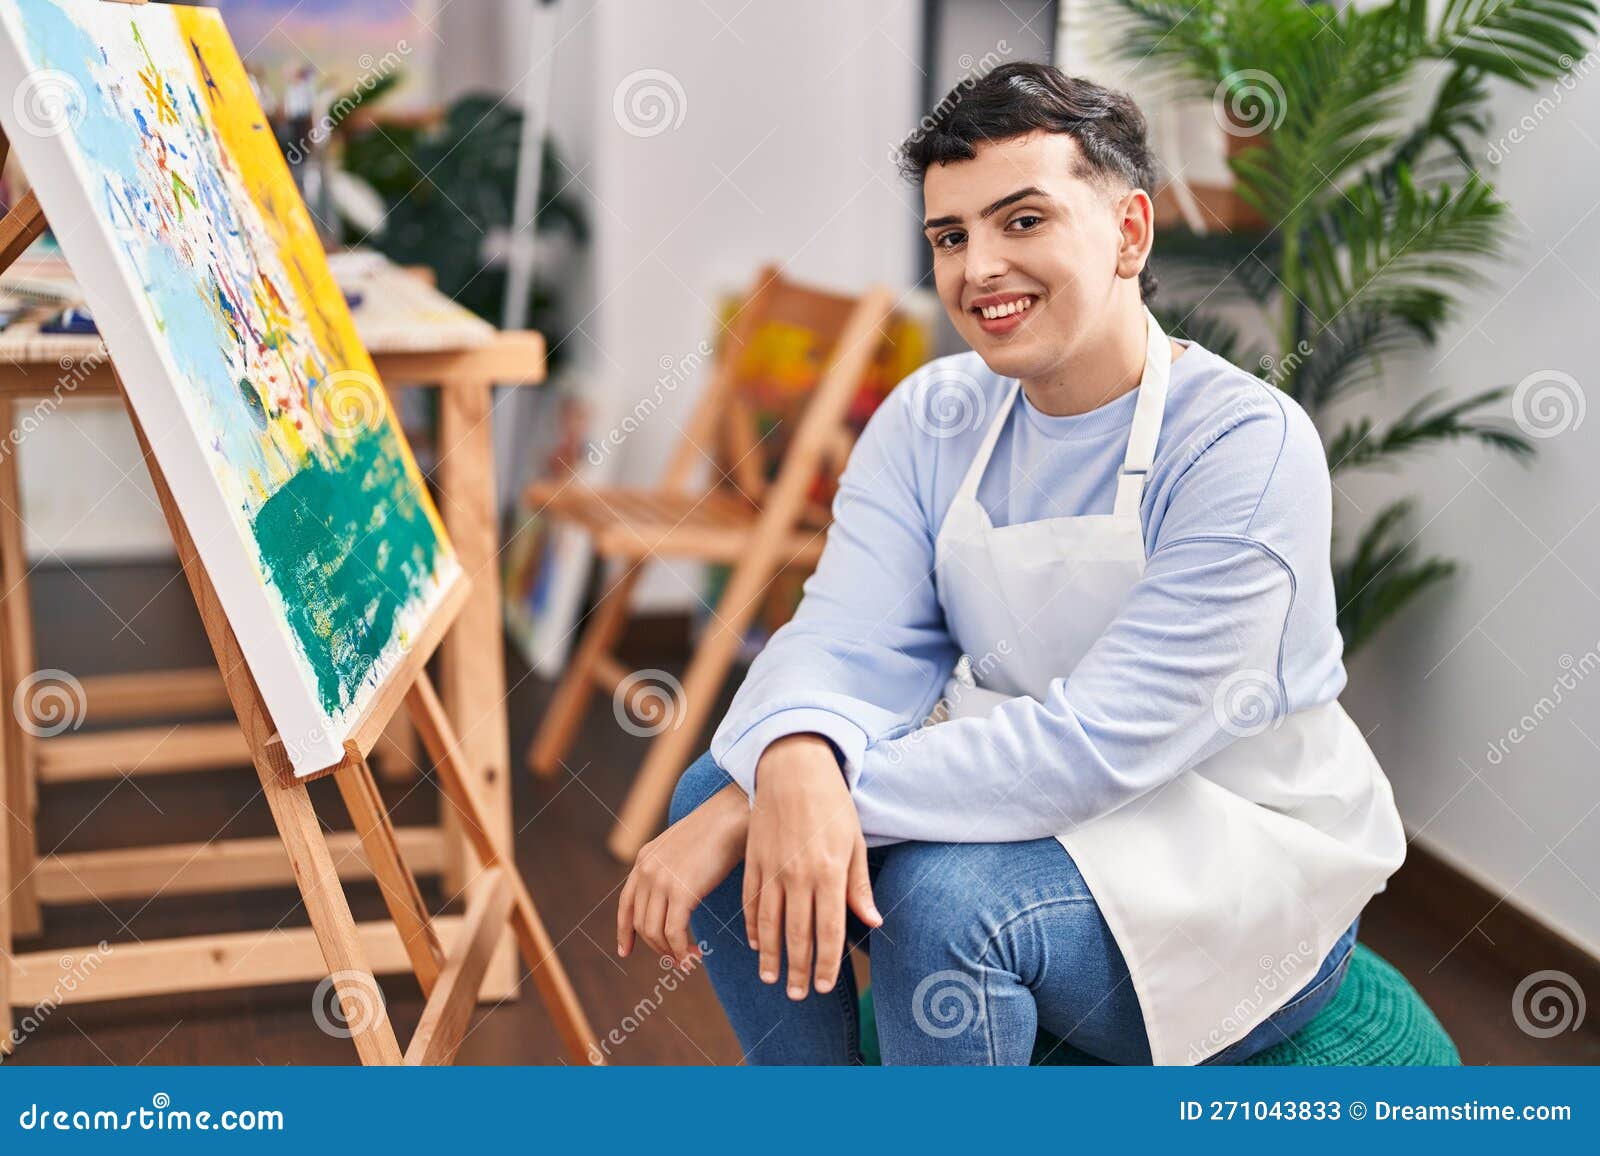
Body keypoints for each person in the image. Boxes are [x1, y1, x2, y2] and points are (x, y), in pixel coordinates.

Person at [616, 61, 1406, 1066]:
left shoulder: (1243, 445)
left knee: (936, 902)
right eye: (950, 236)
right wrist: (790, 760)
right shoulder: (932, 416)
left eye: (1021, 221)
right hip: (1035, 810)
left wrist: (784, 796)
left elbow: (1100, 744)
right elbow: (844, 638)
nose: (977, 267)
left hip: (1232, 857)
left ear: (1127, 231)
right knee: (722, 792)